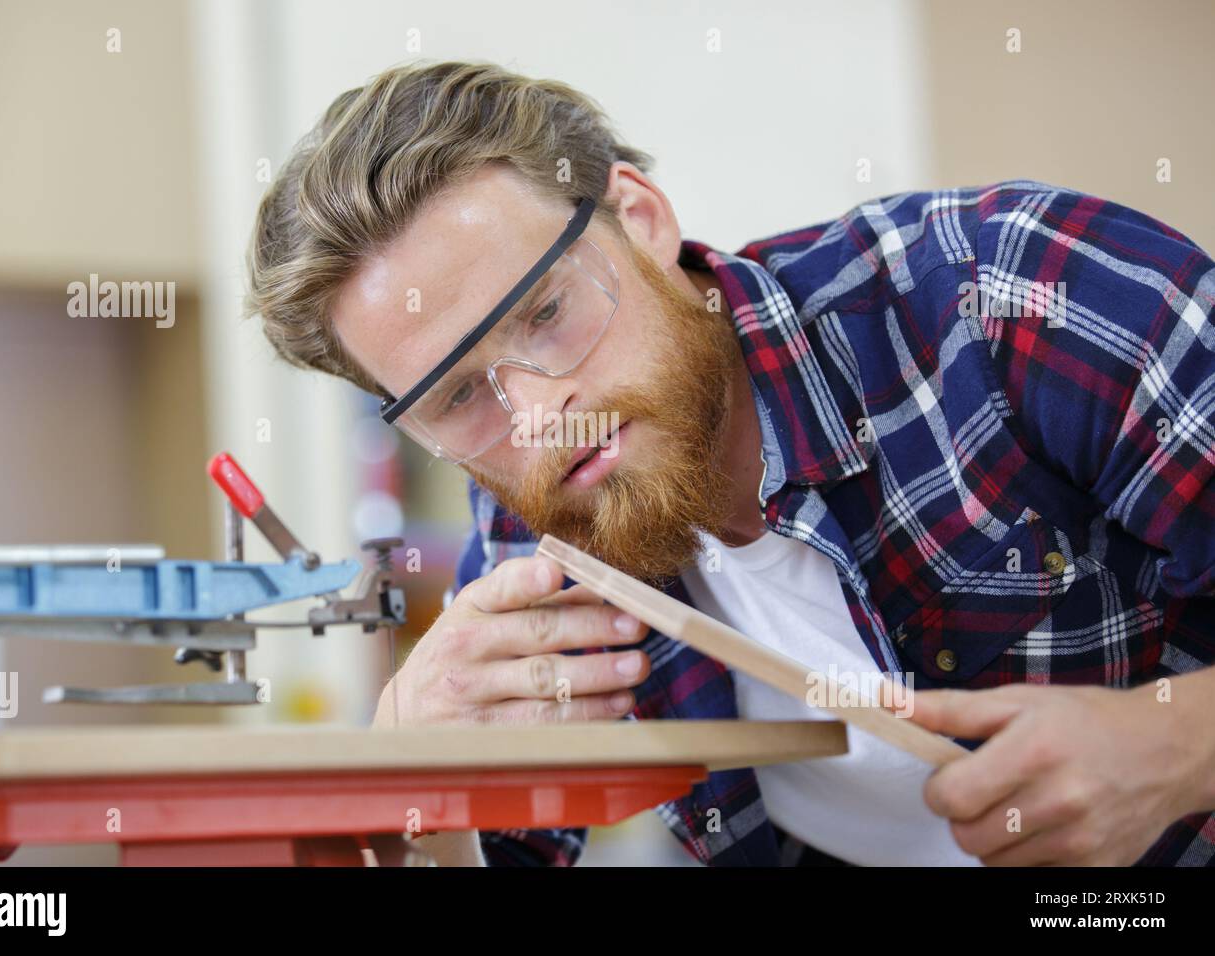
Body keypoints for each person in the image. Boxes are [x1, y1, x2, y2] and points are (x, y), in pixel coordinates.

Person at [246, 60, 1215, 866]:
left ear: (640, 219)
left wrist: (1171, 744)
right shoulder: (534, 524)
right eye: (458, 394)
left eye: (545, 313)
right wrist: (401, 769)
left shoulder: (1004, 296)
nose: (538, 418)